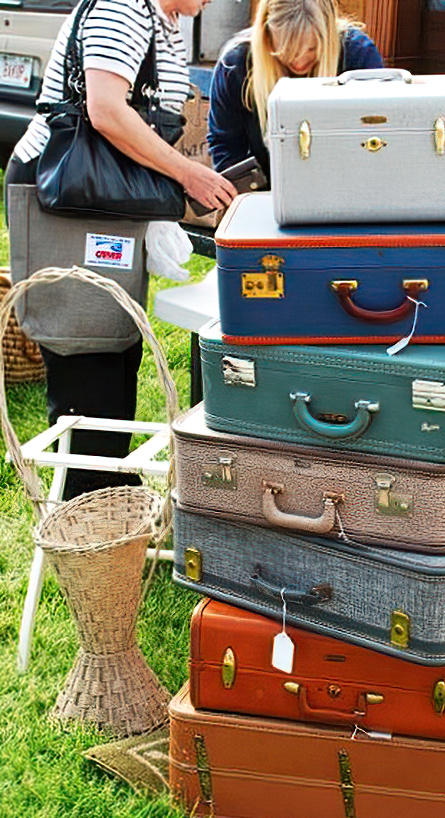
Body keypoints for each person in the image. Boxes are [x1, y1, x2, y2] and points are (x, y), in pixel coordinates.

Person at [5, 0, 237, 500]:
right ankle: (86, 496)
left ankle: (107, 479)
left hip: (99, 194)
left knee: (115, 337)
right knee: (86, 342)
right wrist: (186, 172)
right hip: (66, 191)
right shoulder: (124, 6)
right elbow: (106, 110)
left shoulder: (161, 17)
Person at [208, 0, 383, 178]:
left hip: (345, 182)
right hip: (264, 188)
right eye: (286, 51)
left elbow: (378, 136)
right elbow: (227, 148)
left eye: (312, 49)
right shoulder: (236, 65)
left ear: (329, 35)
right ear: (266, 35)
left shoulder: (357, 55)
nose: (299, 62)